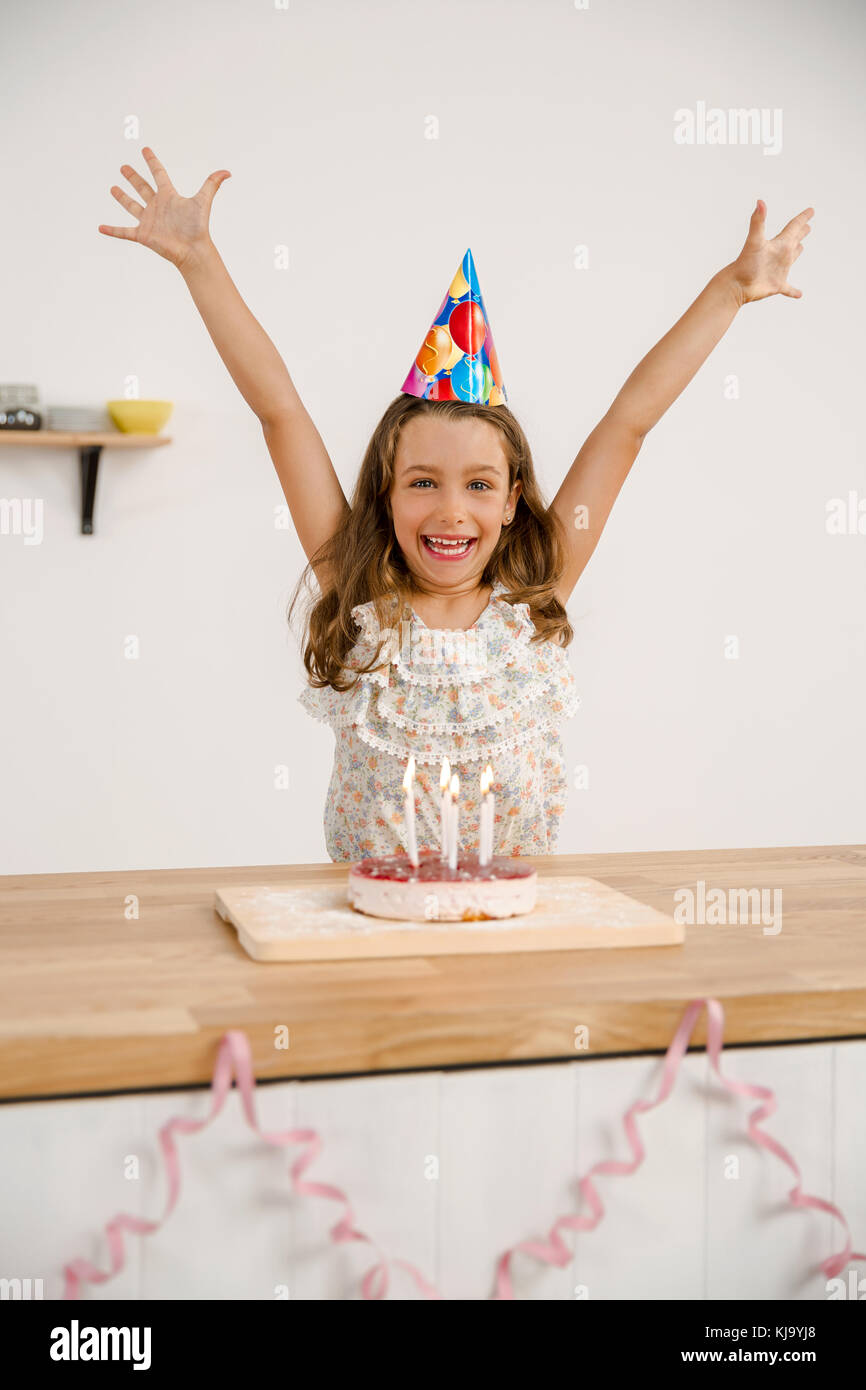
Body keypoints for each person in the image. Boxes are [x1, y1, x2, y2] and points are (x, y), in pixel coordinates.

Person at [99, 148, 814, 862]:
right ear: (386, 491)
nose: (450, 511)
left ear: (511, 500)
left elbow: (628, 421)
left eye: (478, 484)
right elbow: (279, 410)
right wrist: (198, 260)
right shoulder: (358, 594)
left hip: (512, 935)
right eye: (421, 481)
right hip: (369, 935)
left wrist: (730, 288)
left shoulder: (534, 596)